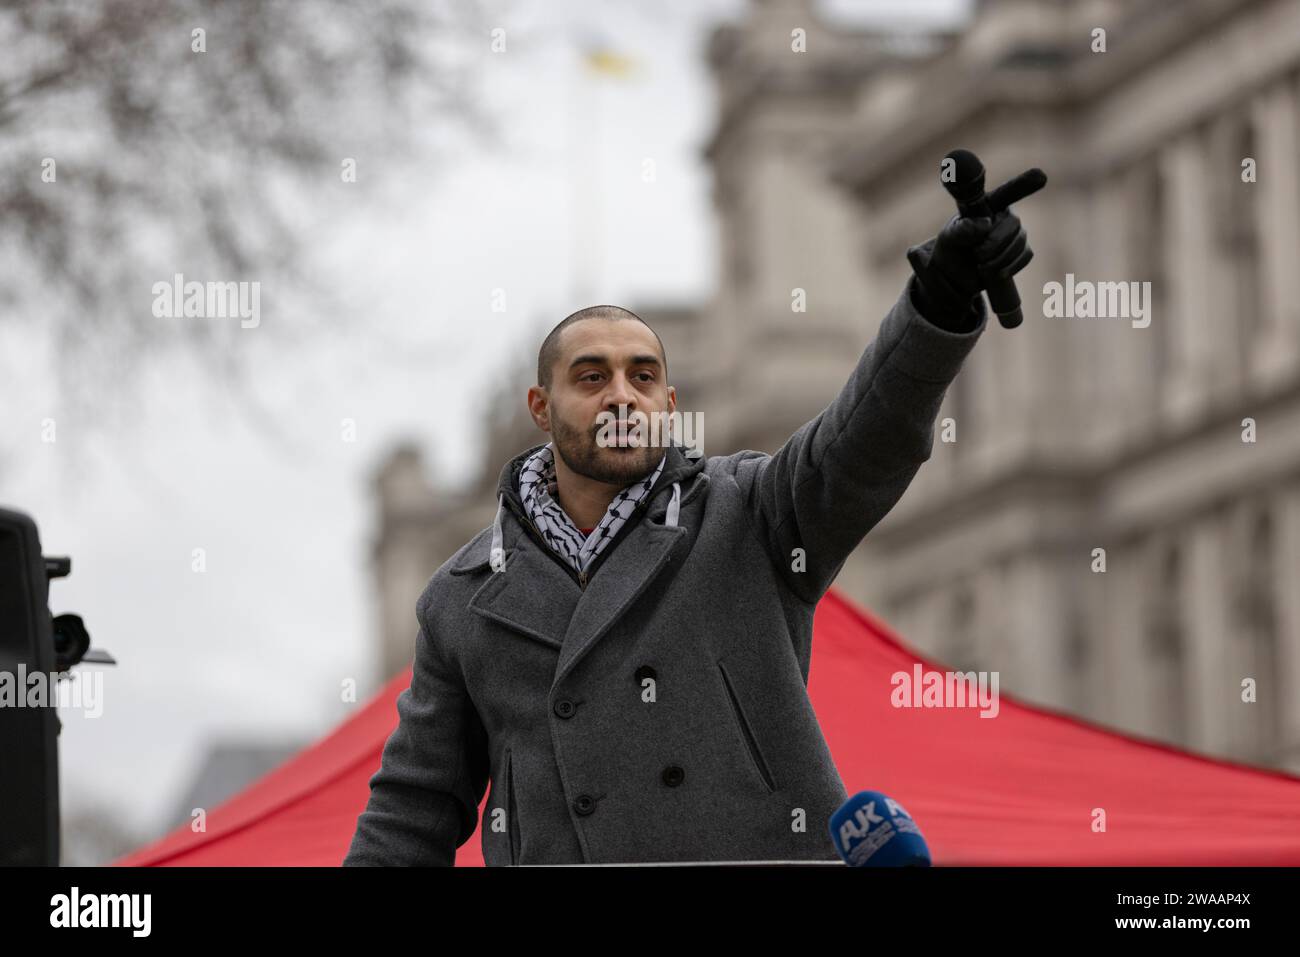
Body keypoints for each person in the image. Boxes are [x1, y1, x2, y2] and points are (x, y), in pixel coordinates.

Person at [343, 171, 1042, 865]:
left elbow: (859, 443)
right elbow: (413, 806)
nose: (622, 396)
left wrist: (938, 303)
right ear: (540, 407)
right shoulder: (461, 596)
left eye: (642, 376)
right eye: (591, 377)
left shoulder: (748, 512)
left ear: (670, 401)